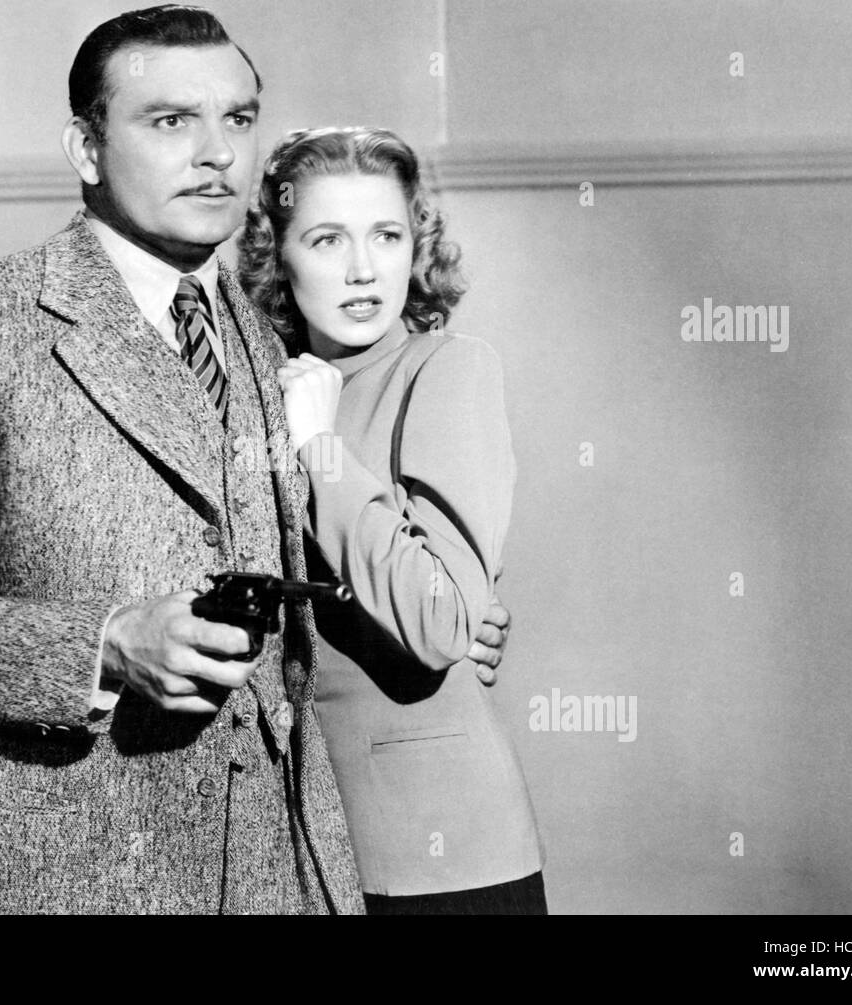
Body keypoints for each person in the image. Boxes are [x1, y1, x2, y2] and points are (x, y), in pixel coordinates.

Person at [0, 7, 507, 914]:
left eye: (239, 120)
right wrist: (98, 647)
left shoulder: (271, 345)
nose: (217, 153)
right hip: (62, 882)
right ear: (86, 149)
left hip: (274, 876)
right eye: (170, 121)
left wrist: (454, 606)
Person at [239, 126, 548, 914]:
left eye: (386, 234)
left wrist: (320, 450)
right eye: (326, 238)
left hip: (434, 853)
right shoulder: (251, 394)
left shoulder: (447, 369)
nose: (363, 267)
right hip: (284, 840)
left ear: (417, 248)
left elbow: (439, 618)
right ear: (280, 256)